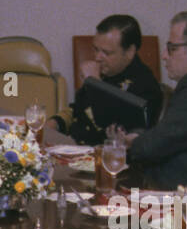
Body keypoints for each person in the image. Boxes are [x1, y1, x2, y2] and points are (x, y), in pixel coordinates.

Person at [119, 9, 187, 188]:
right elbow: (168, 135)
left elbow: (157, 145)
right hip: (176, 194)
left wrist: (133, 144)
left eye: (172, 48)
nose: (164, 55)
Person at [55, 14, 162, 145]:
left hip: (105, 159)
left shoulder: (145, 85)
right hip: (73, 148)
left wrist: (94, 82)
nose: (97, 57)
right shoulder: (107, 71)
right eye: (95, 49)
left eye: (106, 52)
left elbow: (109, 124)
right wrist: (56, 123)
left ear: (130, 52)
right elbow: (79, 108)